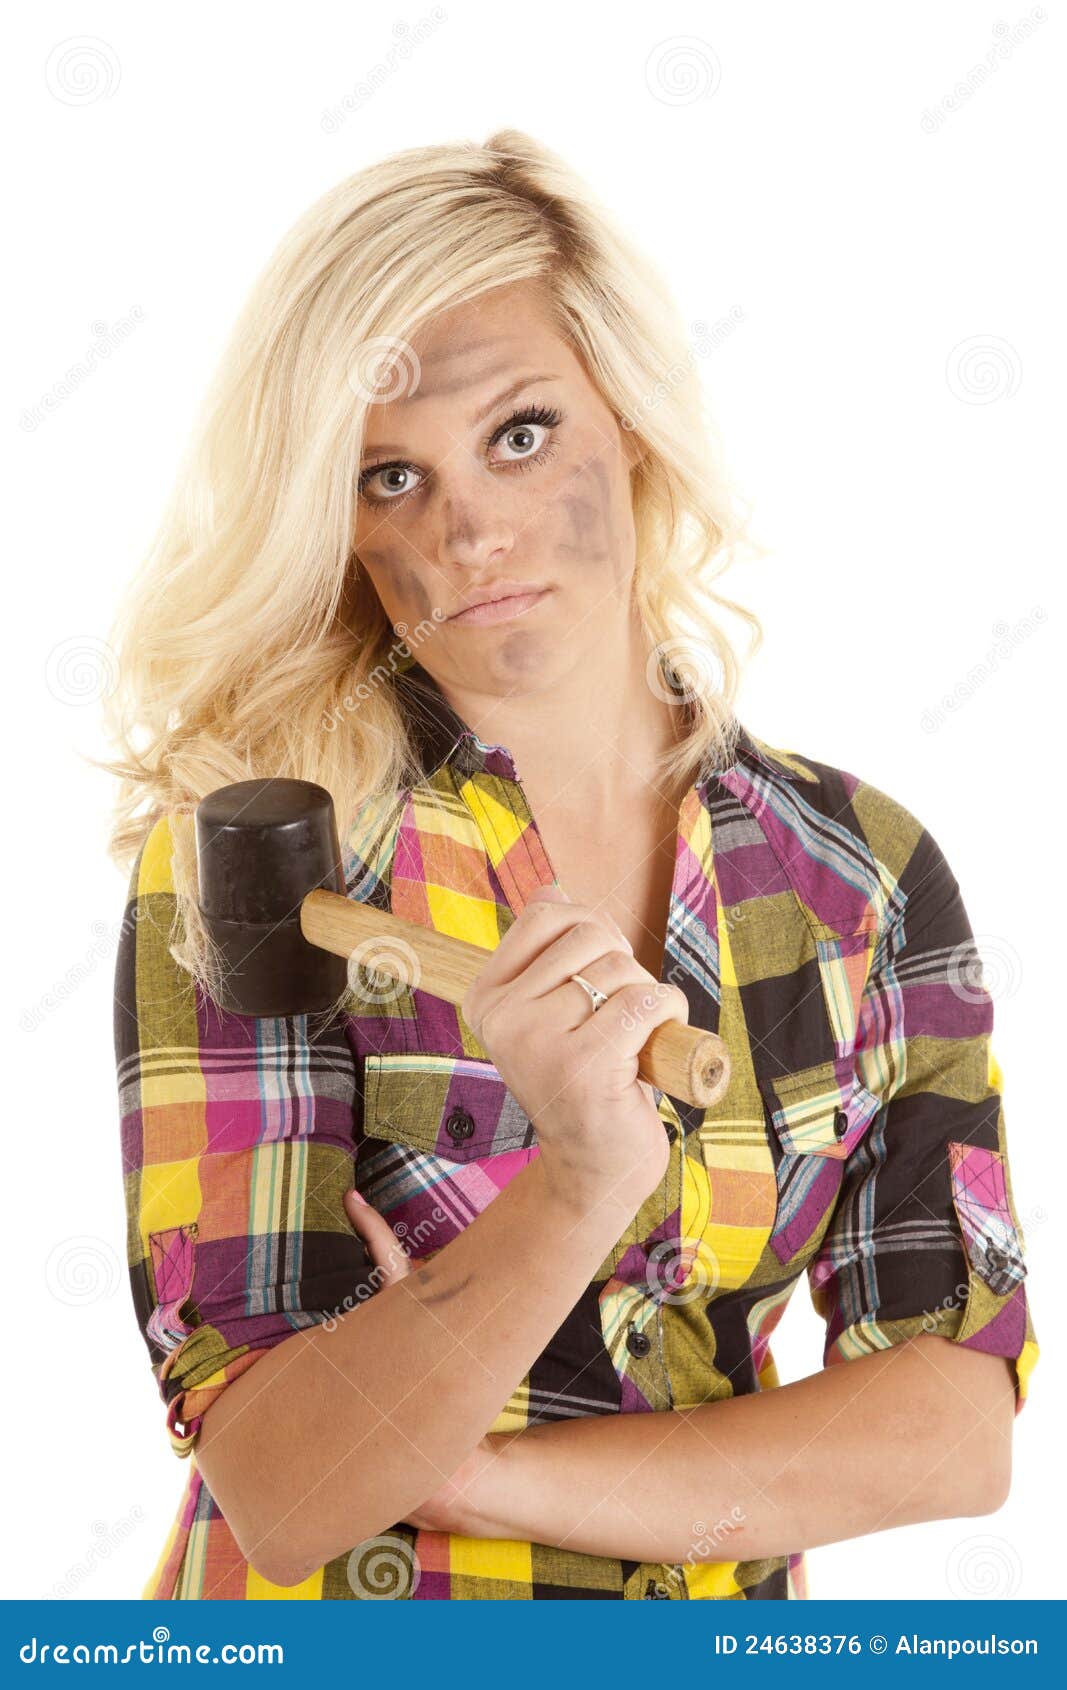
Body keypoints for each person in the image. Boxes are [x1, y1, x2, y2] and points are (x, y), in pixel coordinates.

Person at [104, 129, 1038, 1601]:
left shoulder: (863, 876)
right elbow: (285, 1484)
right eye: (390, 476)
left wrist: (467, 1467)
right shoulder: (269, 865)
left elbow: (949, 1429)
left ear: (633, 422)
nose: (470, 529)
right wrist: (580, 1181)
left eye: (521, 434)